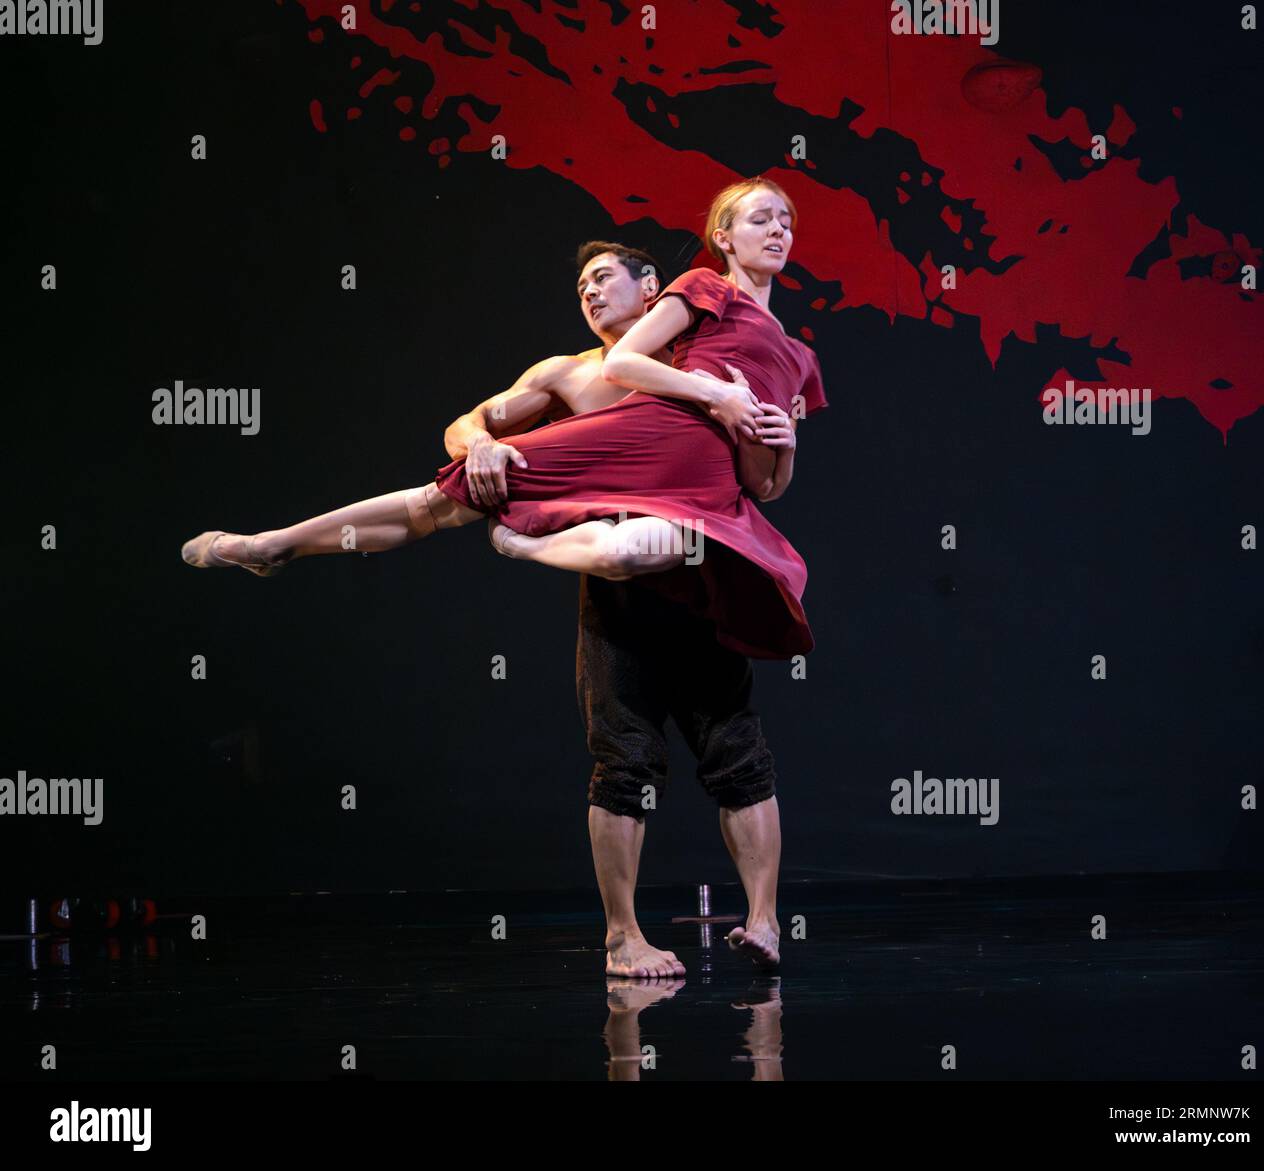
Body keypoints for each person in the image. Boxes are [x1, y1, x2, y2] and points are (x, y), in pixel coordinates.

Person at [182, 176, 828, 970]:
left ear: (652, 288)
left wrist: (775, 439)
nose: (590, 294)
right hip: (613, 540)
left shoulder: (754, 343)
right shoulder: (572, 371)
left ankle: (764, 921)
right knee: (611, 738)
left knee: (736, 745)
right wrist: (477, 443)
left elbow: (764, 476)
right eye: (581, 287)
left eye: (604, 279)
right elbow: (472, 422)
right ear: (718, 244)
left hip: (690, 529)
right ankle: (277, 543)